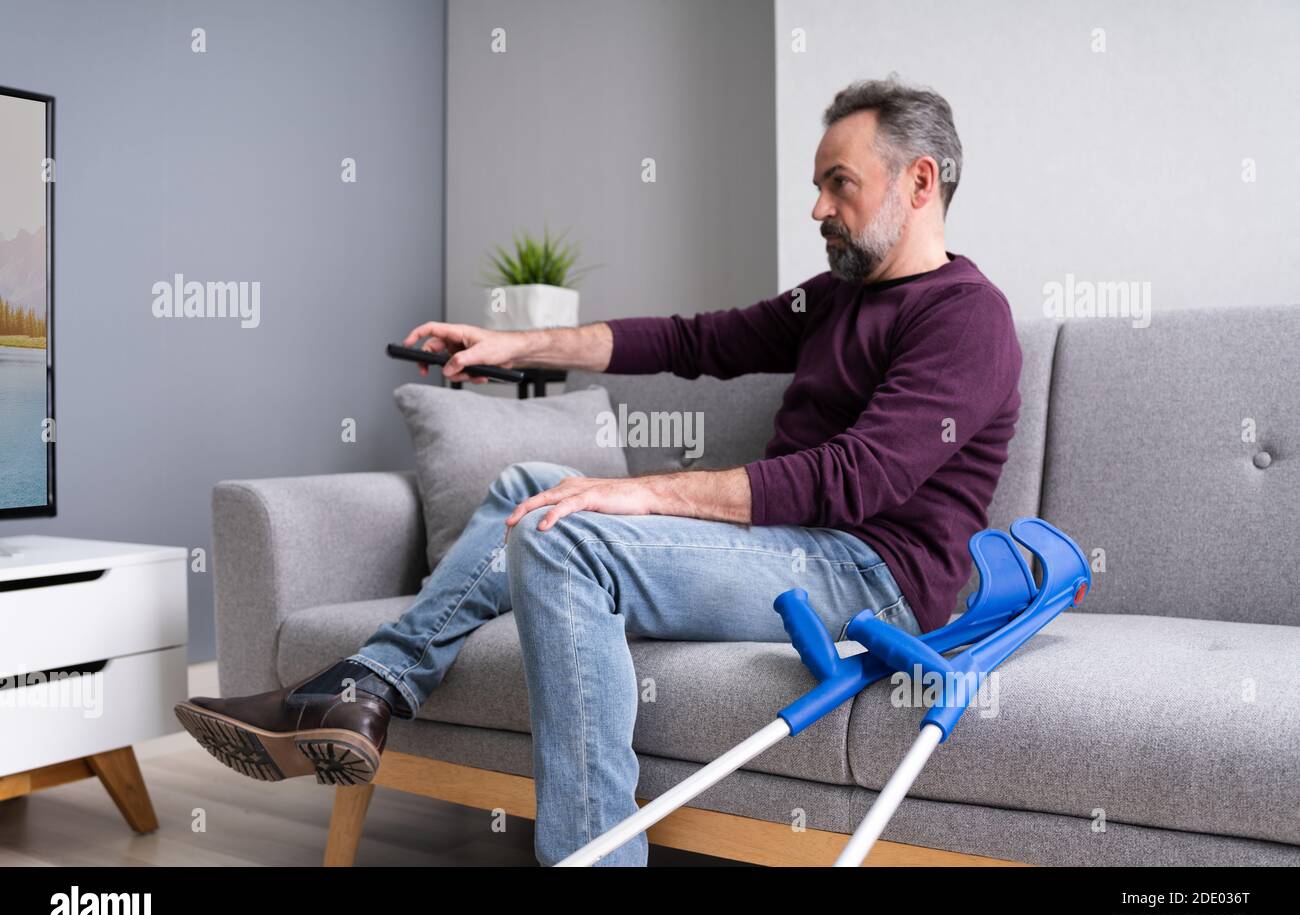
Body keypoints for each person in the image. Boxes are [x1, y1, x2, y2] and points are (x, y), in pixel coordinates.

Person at [175, 77, 1021, 867]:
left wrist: (642, 493)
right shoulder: (835, 298)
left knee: (566, 539)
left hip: (872, 577)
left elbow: (853, 479)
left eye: (839, 184)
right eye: (817, 185)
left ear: (919, 182)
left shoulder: (967, 318)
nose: (817, 208)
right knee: (527, 485)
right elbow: (693, 341)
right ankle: (367, 689)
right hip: (795, 543)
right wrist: (516, 344)